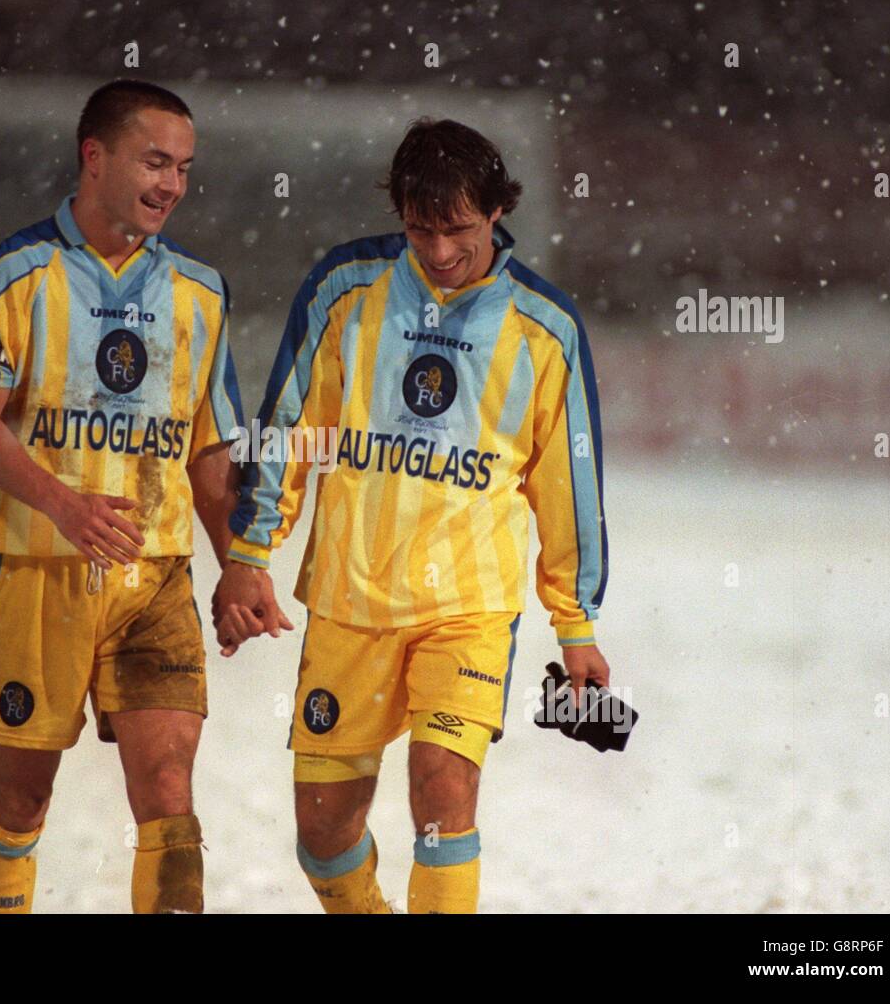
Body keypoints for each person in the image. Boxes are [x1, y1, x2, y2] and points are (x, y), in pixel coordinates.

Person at [214, 118, 611, 914]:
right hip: (349, 602)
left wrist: (576, 625)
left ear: (497, 211)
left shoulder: (546, 328)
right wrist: (249, 552)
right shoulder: (343, 288)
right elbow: (290, 426)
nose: (438, 249)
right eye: (421, 228)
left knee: (442, 793)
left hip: (468, 608)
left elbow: (570, 486)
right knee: (323, 835)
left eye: (457, 228)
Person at [0, 79, 245, 913]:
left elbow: (210, 447)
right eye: (154, 162)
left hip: (156, 581)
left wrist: (240, 568)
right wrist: (63, 504)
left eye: (183, 169)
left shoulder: (200, 293)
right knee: (20, 803)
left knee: (169, 794)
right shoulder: (15, 275)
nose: (170, 186)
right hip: (36, 574)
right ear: (95, 156)